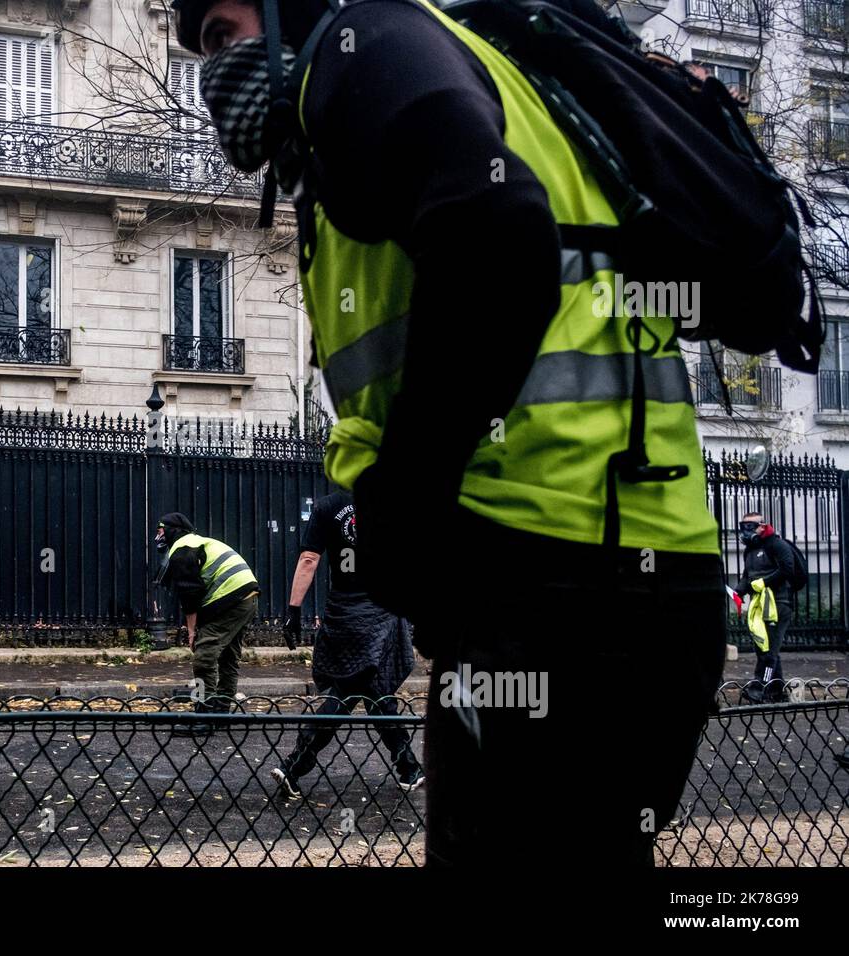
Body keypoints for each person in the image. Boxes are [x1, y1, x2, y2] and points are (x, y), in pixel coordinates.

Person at [171, 0, 726, 865]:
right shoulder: (424, 76)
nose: (216, 68)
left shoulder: (361, 51)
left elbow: (496, 236)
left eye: (222, 31)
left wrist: (401, 506)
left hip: (554, 581)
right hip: (629, 575)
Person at [270, 490, 422, 799]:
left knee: (365, 685)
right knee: (357, 688)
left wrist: (293, 612)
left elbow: (309, 559)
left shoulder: (328, 506)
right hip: (381, 609)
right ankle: (294, 766)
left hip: (344, 612)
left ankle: (408, 767)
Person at [154, 512, 259, 733]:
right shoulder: (197, 542)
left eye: (160, 529)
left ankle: (204, 715)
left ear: (173, 530)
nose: (158, 535)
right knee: (228, 657)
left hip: (231, 597)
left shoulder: (181, 548)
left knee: (203, 658)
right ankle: (220, 713)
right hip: (247, 596)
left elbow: (189, 594)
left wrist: (192, 631)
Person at [738, 512, 796, 704]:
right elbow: (748, 576)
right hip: (758, 605)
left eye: (750, 526)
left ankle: (759, 688)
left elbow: (788, 569)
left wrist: (765, 582)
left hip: (778, 604)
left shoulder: (777, 545)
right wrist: (738, 590)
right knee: (764, 649)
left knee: (769, 651)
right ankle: (778, 692)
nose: (746, 531)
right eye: (743, 526)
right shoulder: (749, 551)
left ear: (762, 526)